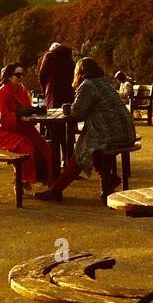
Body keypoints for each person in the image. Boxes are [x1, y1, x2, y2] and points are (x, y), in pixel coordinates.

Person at [35, 57, 136, 201]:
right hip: (125, 131)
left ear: (80, 71)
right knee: (90, 147)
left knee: (82, 152)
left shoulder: (87, 85)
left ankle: (56, 190)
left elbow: (77, 112)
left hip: (111, 133)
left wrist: (68, 109)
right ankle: (107, 181)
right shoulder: (103, 82)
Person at [0, 62, 52, 187]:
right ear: (9, 76)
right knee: (25, 146)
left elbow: (27, 109)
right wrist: (17, 114)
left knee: (44, 145)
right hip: (1, 131)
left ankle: (48, 178)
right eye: (18, 75)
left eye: (22, 74)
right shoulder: (3, 92)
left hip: (20, 127)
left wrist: (35, 110)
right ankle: (22, 179)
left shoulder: (22, 89)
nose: (21, 77)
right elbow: (2, 120)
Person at [37, 42, 76, 109]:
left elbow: (42, 76)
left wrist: (44, 92)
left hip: (54, 93)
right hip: (68, 93)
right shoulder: (69, 59)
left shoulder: (49, 56)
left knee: (53, 115)